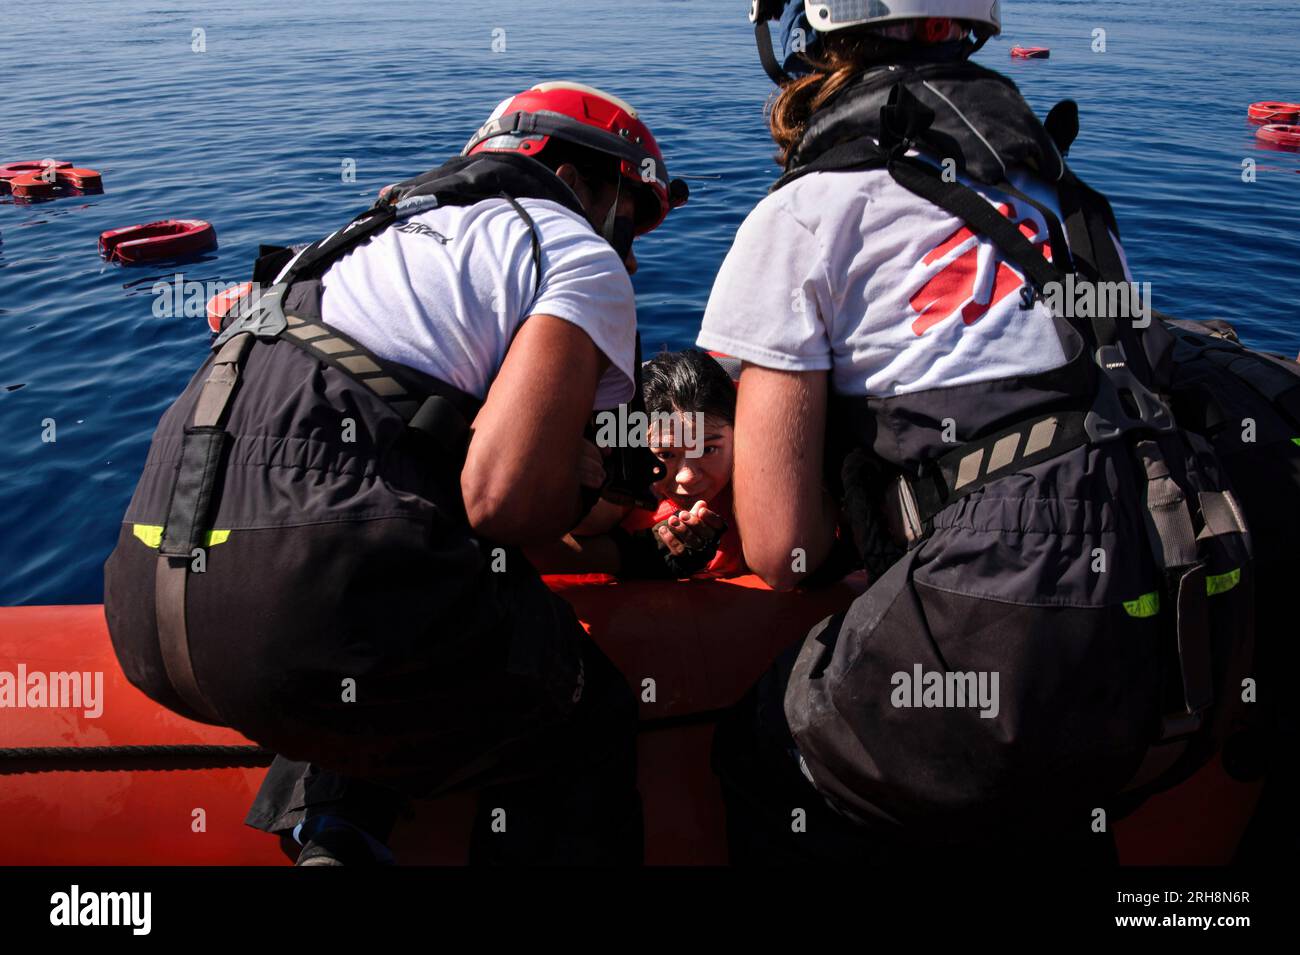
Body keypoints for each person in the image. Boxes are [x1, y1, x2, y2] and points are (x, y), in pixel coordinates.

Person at [700, 1, 1254, 863]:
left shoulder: (804, 213)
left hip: (1012, 593)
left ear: (808, 39)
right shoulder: (1066, 197)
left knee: (765, 749)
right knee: (1061, 799)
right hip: (1185, 595)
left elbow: (783, 550)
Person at [104, 81, 687, 864]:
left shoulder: (362, 236)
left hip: (142, 604)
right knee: (584, 715)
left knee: (376, 617)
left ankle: (337, 841)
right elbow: (506, 506)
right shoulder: (570, 246)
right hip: (308, 595)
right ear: (576, 178)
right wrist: (588, 484)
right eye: (630, 215)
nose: (631, 249)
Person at [528, 348, 745, 580]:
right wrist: (645, 553)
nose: (686, 477)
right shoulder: (620, 467)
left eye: (707, 449)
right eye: (665, 454)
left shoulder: (758, 442)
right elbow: (521, 549)